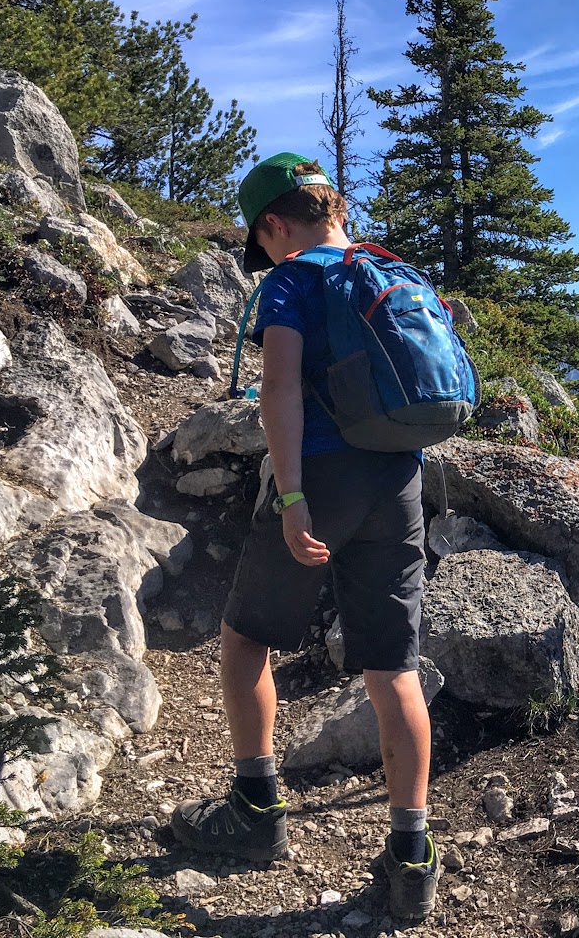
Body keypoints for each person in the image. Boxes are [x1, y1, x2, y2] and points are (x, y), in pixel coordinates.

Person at [170, 152, 440, 921]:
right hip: (400, 481)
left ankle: (255, 811)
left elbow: (280, 389)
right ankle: (411, 858)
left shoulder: (289, 281)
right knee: (394, 667)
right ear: (338, 208)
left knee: (246, 636)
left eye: (266, 240)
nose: (268, 253)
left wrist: (290, 496)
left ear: (275, 224)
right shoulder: (392, 269)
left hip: (320, 479)